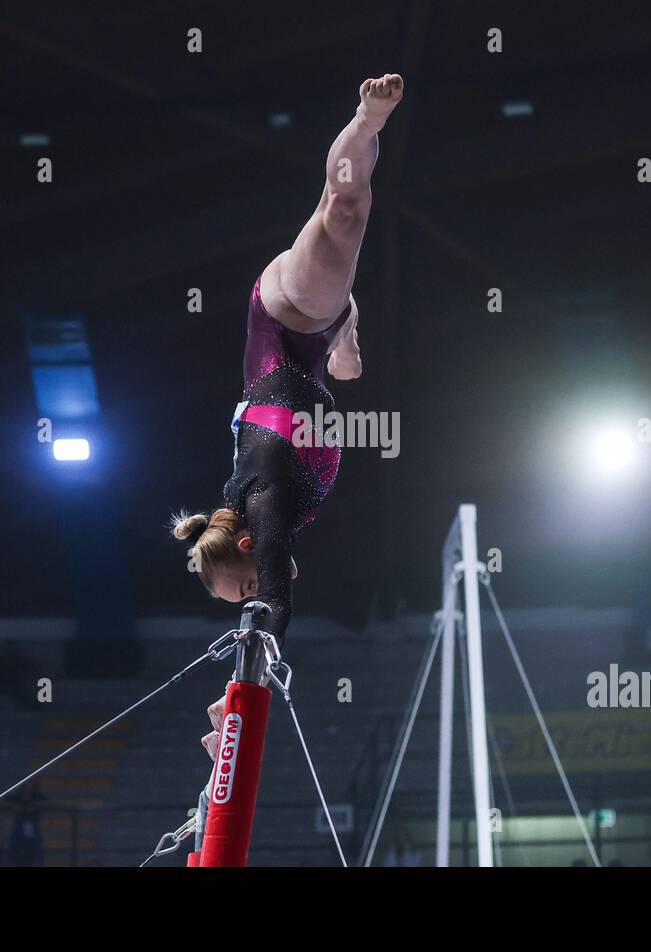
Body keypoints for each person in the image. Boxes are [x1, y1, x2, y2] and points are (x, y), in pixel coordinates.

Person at [169, 74, 405, 759]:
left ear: (246, 548)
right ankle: (349, 328)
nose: (251, 597)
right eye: (240, 597)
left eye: (240, 589)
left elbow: (273, 601)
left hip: (282, 318)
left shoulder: (266, 497)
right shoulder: (270, 501)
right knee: (340, 256)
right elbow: (269, 595)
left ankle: (366, 120)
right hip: (316, 332)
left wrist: (237, 700)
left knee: (343, 211)